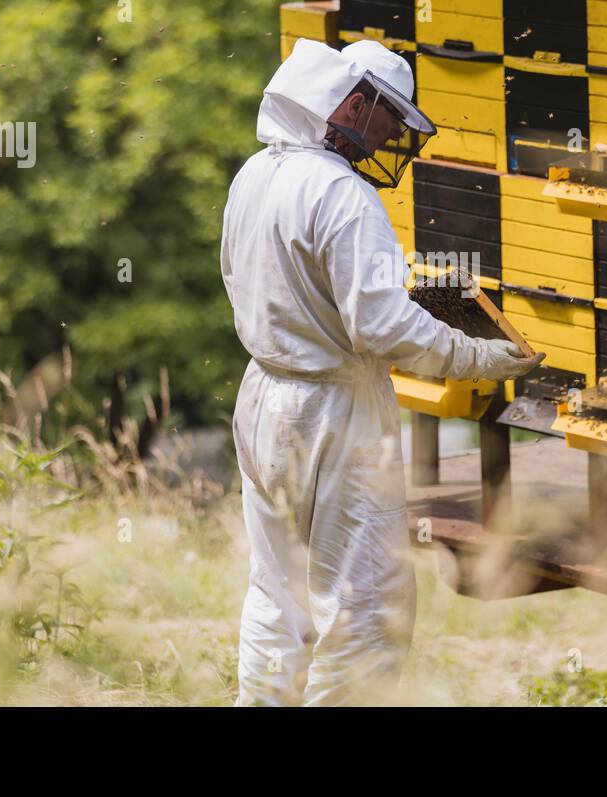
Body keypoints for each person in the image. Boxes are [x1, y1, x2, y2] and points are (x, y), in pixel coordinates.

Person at [220, 38, 544, 706]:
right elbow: (383, 327)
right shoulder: (344, 195)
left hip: (262, 395)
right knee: (365, 605)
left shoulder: (254, 173)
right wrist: (476, 355)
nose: (391, 136)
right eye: (389, 118)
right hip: (333, 411)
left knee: (276, 591)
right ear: (352, 103)